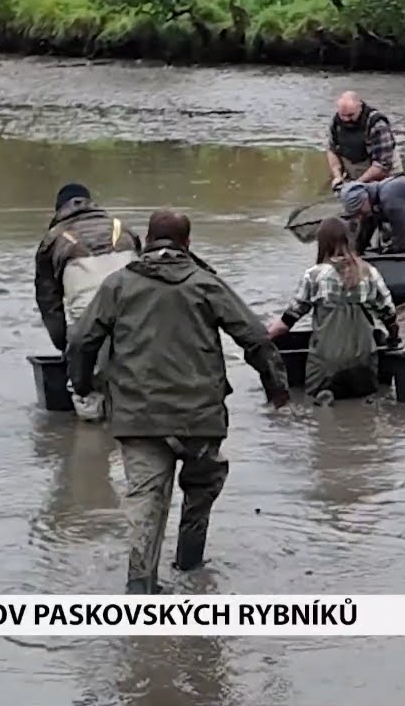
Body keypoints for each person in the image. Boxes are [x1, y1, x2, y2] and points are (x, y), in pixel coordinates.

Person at [66, 209, 290, 594]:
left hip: (138, 419)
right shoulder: (205, 283)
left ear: (146, 242)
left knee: (145, 505)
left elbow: (81, 341)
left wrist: (85, 386)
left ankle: (140, 589)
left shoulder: (118, 285)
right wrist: (276, 388)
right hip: (199, 418)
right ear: (187, 244)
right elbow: (254, 335)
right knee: (200, 491)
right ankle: (191, 569)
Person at [34, 183, 142, 422]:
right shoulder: (122, 228)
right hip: (134, 305)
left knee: (87, 387)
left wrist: (65, 345)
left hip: (87, 312)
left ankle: (91, 443)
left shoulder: (53, 239)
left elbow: (48, 300)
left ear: (59, 210)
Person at [267, 216, 400, 406]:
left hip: (325, 366)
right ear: (349, 239)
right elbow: (390, 315)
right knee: (363, 402)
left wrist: (263, 337)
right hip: (363, 363)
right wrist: (394, 339)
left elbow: (288, 320)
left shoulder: (314, 275)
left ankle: (325, 401)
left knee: (317, 400)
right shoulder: (369, 272)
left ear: (322, 243)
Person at [326, 91, 403, 191]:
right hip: (354, 176)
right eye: (342, 115)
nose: (346, 119)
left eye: (350, 115)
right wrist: (338, 176)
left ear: (360, 107)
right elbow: (332, 150)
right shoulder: (336, 123)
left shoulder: (377, 124)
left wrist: (357, 183)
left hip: (386, 179)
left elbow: (383, 165)